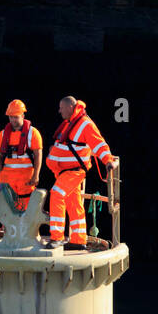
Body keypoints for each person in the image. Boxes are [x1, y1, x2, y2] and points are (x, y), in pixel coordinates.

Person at [45, 96, 117, 248]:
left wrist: (108, 160)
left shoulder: (85, 124)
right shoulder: (71, 123)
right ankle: (78, 241)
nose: (59, 111)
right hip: (64, 171)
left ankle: (57, 237)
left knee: (57, 193)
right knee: (74, 203)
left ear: (71, 107)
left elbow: (99, 144)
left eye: (61, 107)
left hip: (74, 172)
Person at [0, 99, 42, 212]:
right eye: (10, 117)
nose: (13, 120)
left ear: (23, 115)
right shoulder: (2, 134)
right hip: (8, 178)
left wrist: (36, 175)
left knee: (28, 212)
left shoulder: (33, 133)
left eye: (16, 116)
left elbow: (38, 155)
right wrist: (0, 176)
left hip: (26, 178)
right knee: (8, 211)